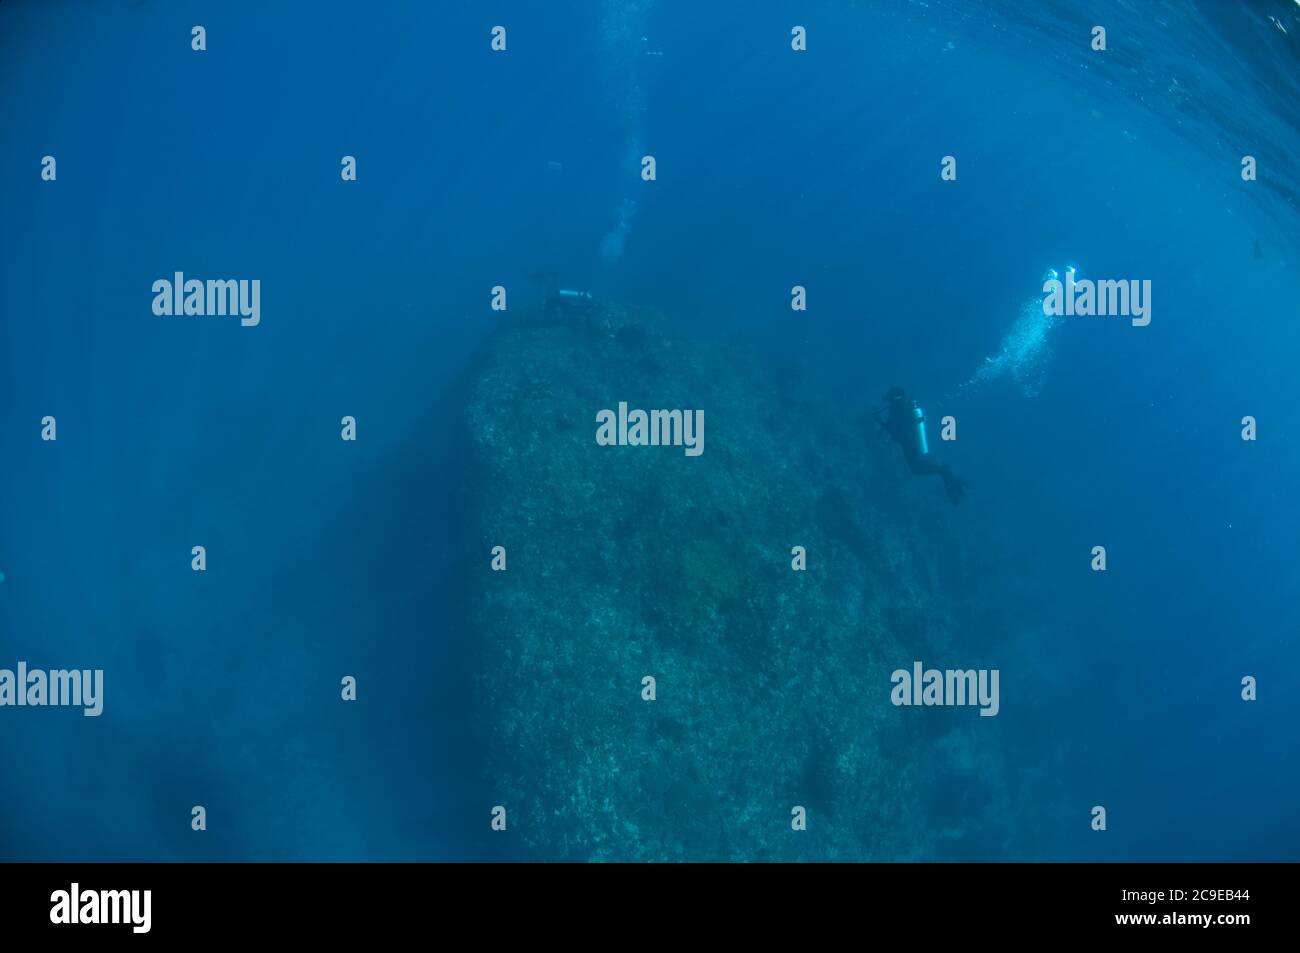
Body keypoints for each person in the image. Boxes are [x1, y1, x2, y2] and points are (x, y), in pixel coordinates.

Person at [878, 387, 969, 504]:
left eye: (889, 396)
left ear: (894, 397)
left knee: (915, 468)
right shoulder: (906, 405)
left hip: (908, 443)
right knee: (918, 466)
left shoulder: (897, 407)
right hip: (913, 441)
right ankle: (945, 473)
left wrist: (878, 420)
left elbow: (890, 429)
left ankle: (943, 471)